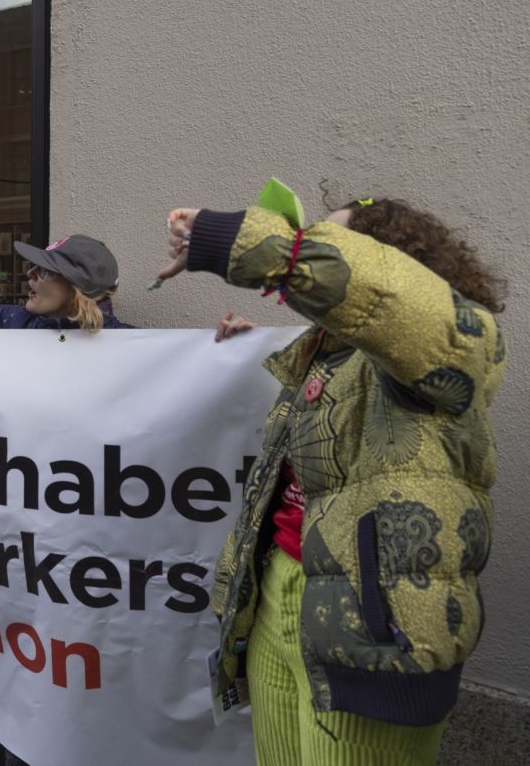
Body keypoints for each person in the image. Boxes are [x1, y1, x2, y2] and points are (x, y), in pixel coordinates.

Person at [159, 190, 507, 765]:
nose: (319, 254)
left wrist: (246, 243)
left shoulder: (455, 344)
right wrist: (255, 347)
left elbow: (398, 315)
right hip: (280, 594)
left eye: (335, 243)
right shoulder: (325, 350)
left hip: (372, 628)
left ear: (390, 264)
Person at [0, 235, 133, 330]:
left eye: (45, 270)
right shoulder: (16, 321)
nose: (30, 273)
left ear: (77, 288)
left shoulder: (130, 346)